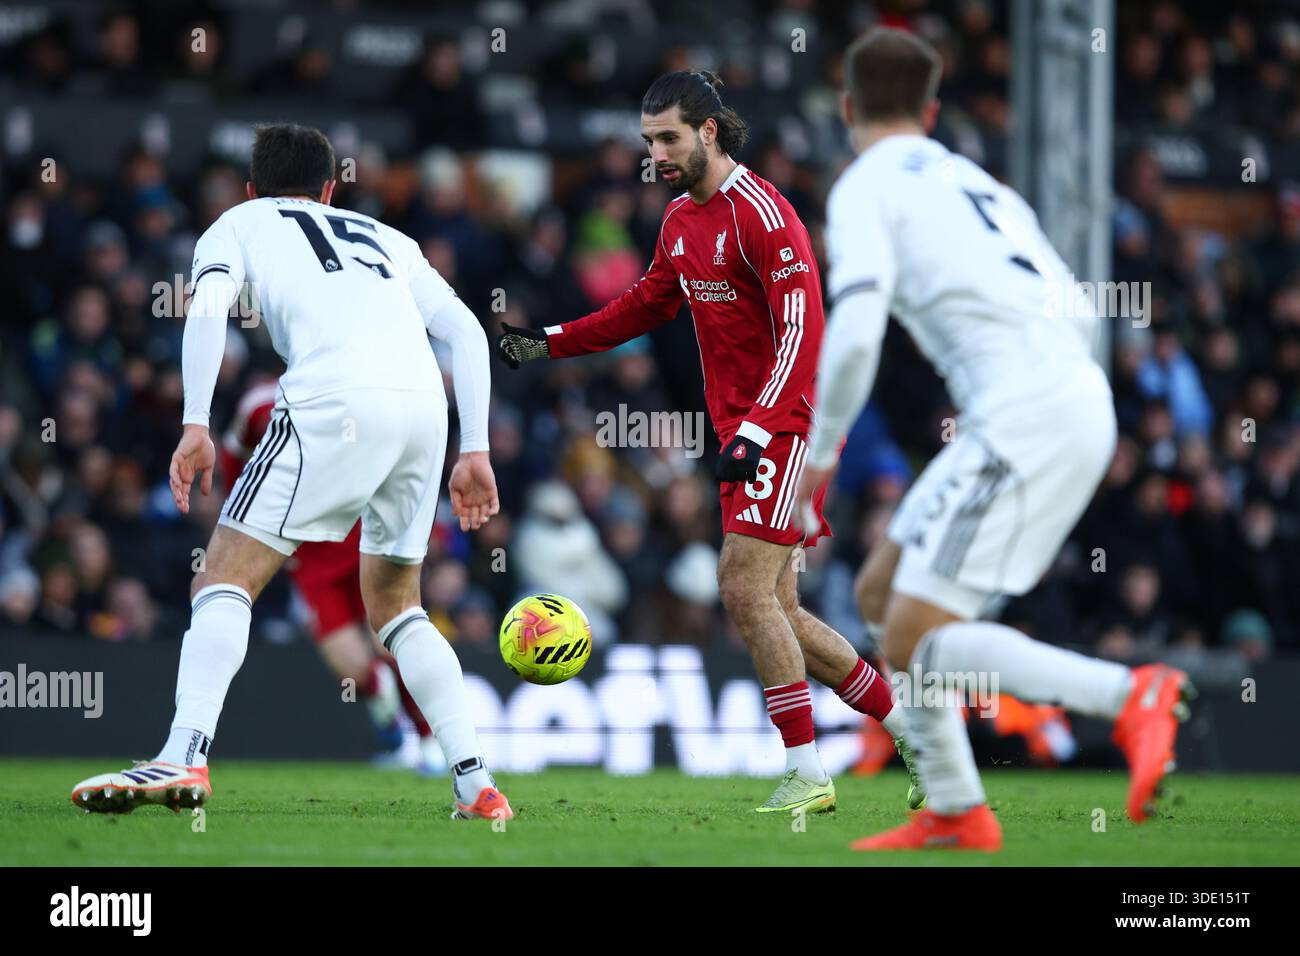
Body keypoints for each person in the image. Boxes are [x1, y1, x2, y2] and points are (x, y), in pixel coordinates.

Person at [795, 28, 1191, 851]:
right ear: (932, 111)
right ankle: (954, 807)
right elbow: (1079, 308)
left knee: (912, 637)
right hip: (1053, 398)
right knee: (879, 593)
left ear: (846, 109)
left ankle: (1131, 693)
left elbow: (859, 331)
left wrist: (821, 455)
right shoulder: (977, 181)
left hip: (1026, 416)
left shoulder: (864, 183)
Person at [497, 71, 922, 815]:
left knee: (739, 586)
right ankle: (917, 733)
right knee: (780, 610)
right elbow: (639, 307)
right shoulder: (679, 223)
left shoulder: (766, 214)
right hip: (745, 433)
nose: (655, 153)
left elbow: (803, 333)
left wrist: (758, 429)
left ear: (709, 132)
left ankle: (806, 771)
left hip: (791, 424)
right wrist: (547, 344)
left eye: (667, 137)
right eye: (648, 140)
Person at [71, 123, 510, 820]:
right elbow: (465, 331)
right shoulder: (388, 238)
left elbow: (208, 305)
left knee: (223, 576)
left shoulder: (236, 222)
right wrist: (476, 447)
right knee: (399, 609)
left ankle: (183, 755)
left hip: (332, 401)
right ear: (332, 188)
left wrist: (194, 423)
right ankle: (476, 783)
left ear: (251, 188)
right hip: (425, 409)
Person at [219, 374, 445, 771]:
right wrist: (246, 517)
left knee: (389, 647)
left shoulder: (350, 395)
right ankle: (390, 727)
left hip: (364, 545)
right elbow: (231, 455)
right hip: (307, 561)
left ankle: (430, 744)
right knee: (356, 673)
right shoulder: (259, 403)